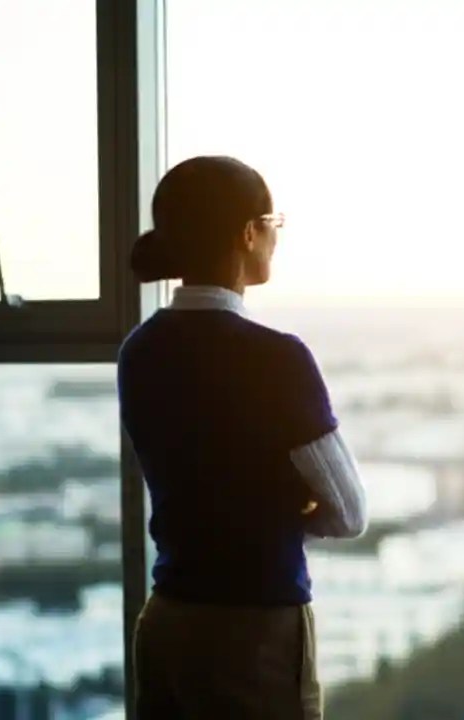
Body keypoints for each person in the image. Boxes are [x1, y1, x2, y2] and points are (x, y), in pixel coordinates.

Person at [118, 155, 368, 719]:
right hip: (255, 633)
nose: (275, 239)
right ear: (248, 233)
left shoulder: (139, 351)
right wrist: (283, 510)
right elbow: (349, 514)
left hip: (168, 623)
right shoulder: (277, 358)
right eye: (272, 224)